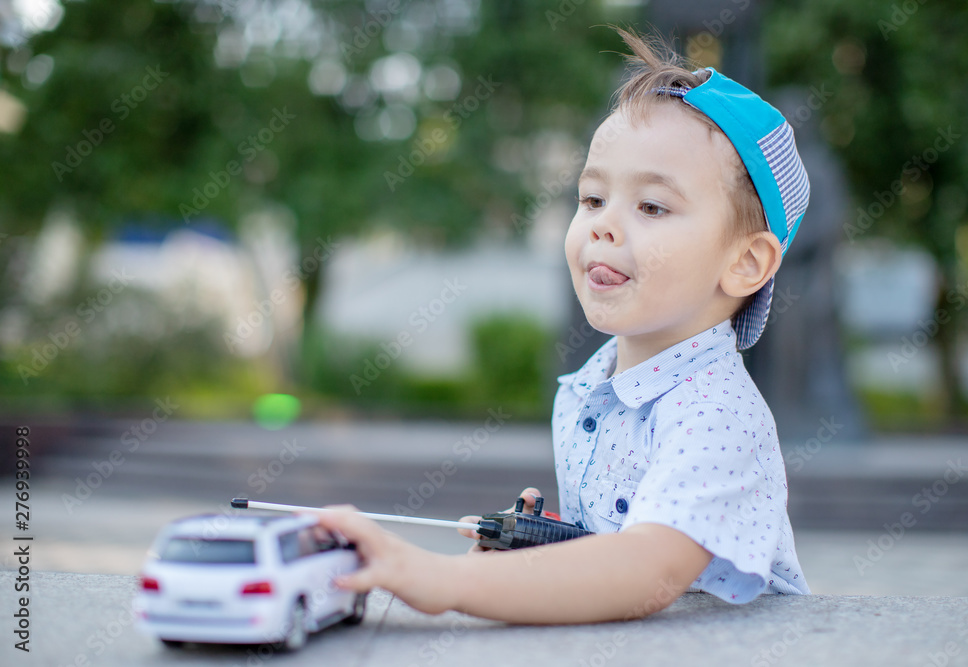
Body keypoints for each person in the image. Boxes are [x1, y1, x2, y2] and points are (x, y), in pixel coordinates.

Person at [313, 26, 811, 624]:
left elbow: (645, 572)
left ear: (745, 262)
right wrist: (541, 545)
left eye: (651, 206)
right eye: (593, 199)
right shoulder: (588, 390)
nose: (602, 225)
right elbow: (613, 556)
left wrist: (448, 580)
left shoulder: (717, 413)